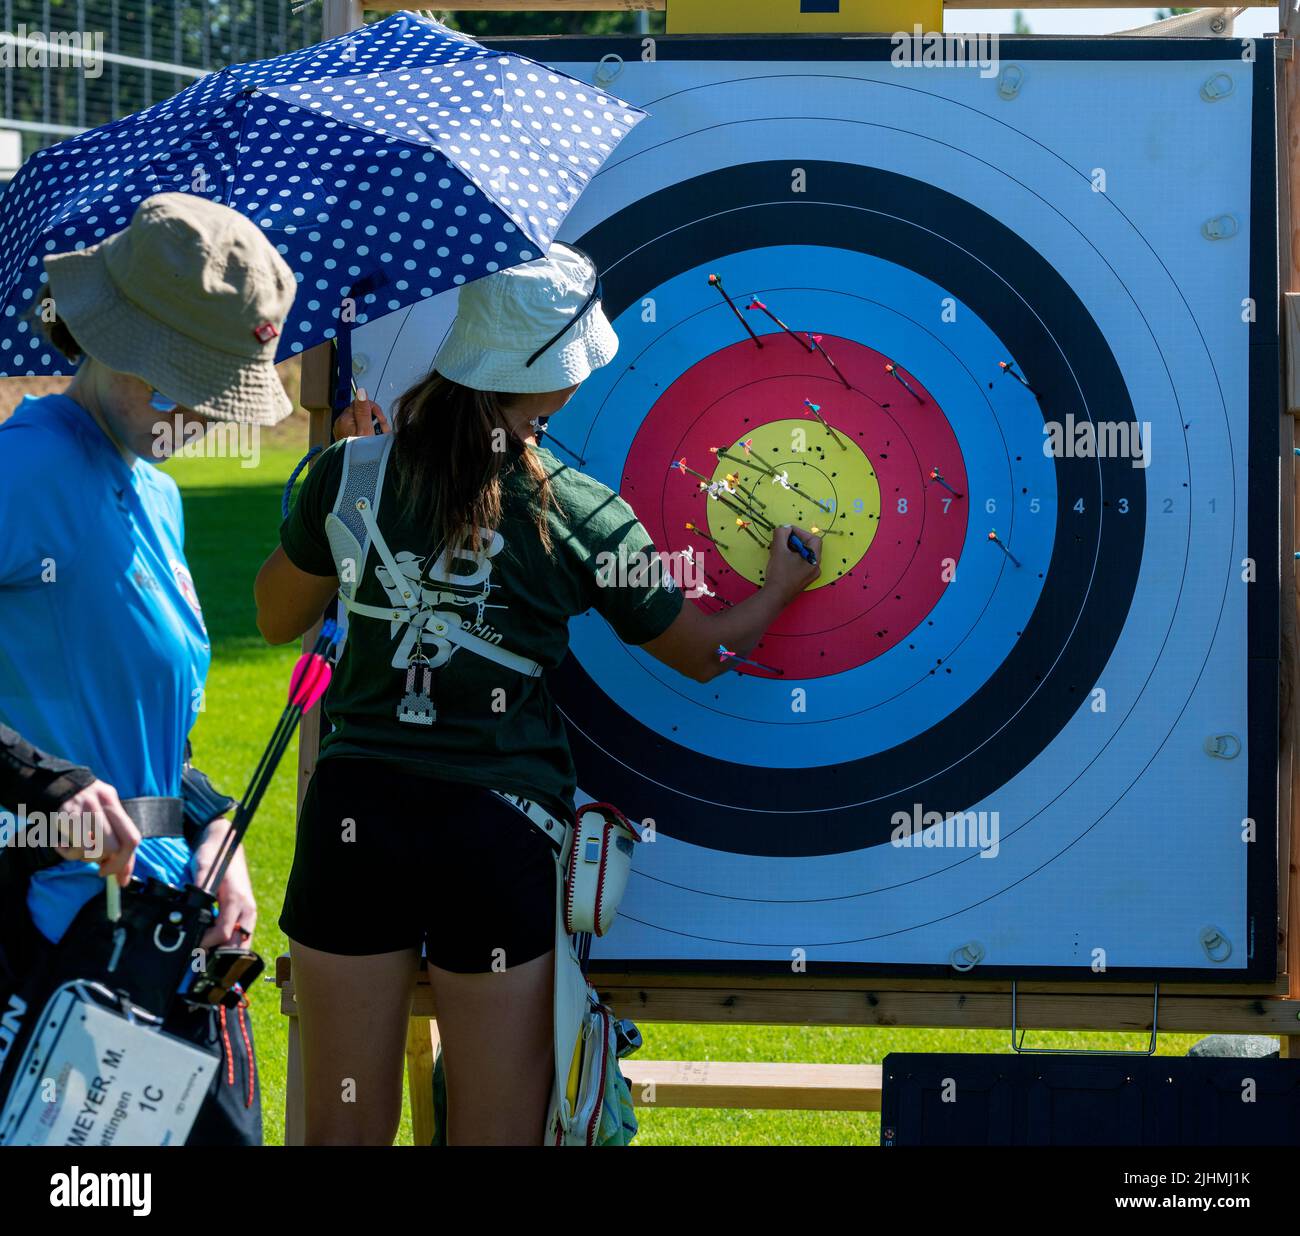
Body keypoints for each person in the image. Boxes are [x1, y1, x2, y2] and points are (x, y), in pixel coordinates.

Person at [254, 243, 821, 1146]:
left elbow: (277, 613)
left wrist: (341, 490)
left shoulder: (351, 475)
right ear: (554, 386)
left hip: (354, 823)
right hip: (494, 832)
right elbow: (704, 653)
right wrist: (782, 587)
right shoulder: (586, 514)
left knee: (337, 1132)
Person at [0, 191, 297, 1144]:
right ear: (112, 338)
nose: (204, 414)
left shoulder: (158, 494)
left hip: (169, 928)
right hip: (53, 942)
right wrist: (41, 784)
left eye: (219, 393)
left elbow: (141, 755)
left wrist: (214, 827)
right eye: (183, 385)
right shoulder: (28, 468)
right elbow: (71, 772)